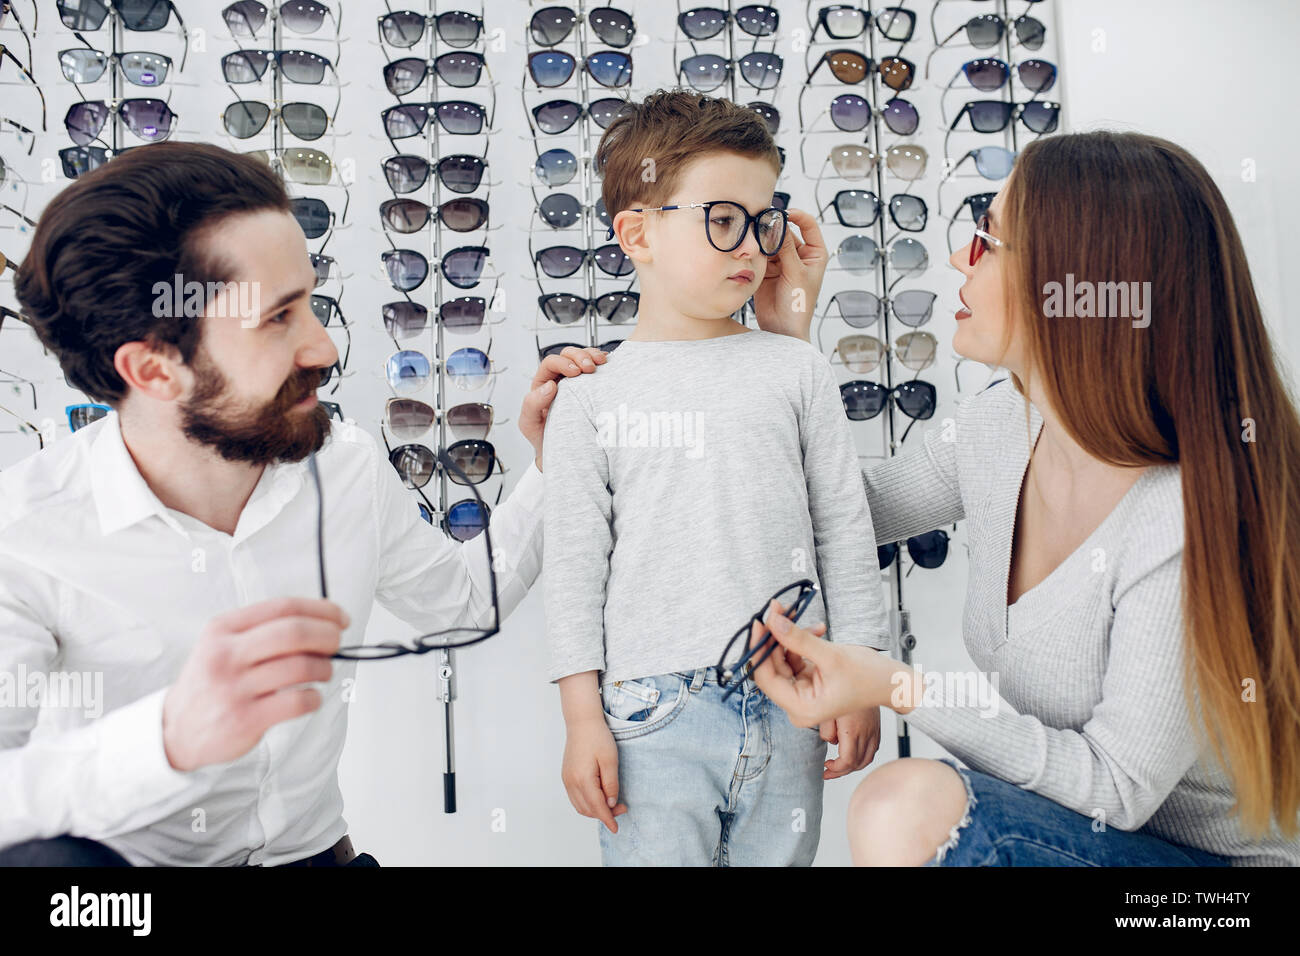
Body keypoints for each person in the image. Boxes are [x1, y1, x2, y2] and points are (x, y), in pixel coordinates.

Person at [0, 141, 607, 866]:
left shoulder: (344, 467)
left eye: (311, 303)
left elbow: (465, 603)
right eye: (278, 318)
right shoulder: (26, 533)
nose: (323, 347)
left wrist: (551, 464)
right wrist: (166, 739)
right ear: (153, 370)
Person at [747, 130, 1300, 866]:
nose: (957, 259)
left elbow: (1118, 787)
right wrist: (786, 346)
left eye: (986, 241)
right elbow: (839, 514)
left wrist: (891, 683)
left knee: (905, 807)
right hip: (1078, 844)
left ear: (1075, 283)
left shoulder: (1184, 515)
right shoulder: (1001, 426)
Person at [542, 90, 891, 866]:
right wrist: (580, 719)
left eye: (764, 220)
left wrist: (862, 675)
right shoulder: (591, 397)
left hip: (795, 697)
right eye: (722, 218)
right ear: (637, 233)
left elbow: (844, 528)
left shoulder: (796, 368)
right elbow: (572, 572)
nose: (755, 247)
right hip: (649, 720)